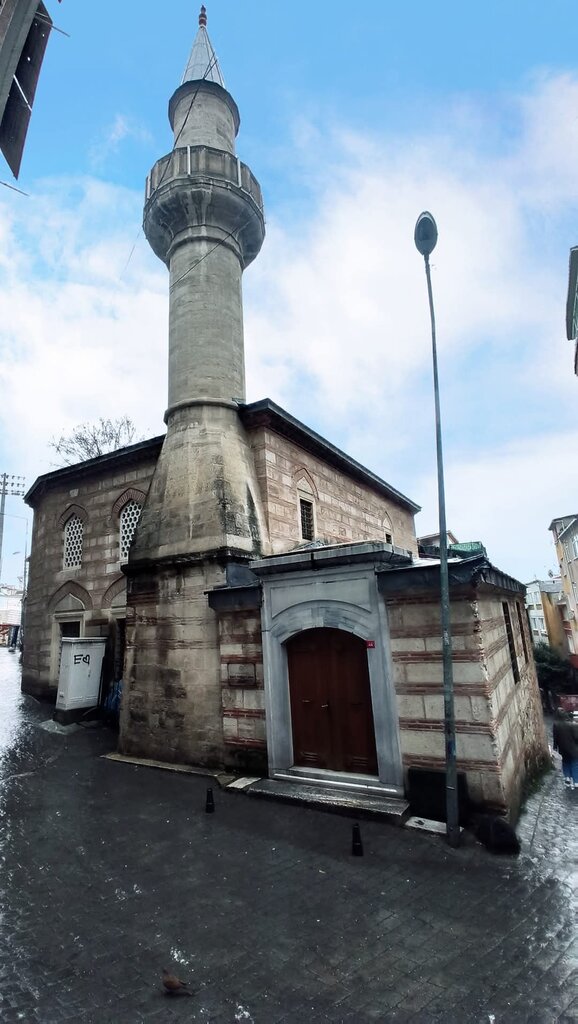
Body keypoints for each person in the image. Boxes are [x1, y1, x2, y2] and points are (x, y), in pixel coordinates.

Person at [552, 709, 578, 789]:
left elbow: (555, 738)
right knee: (574, 764)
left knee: (565, 762)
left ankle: (567, 778)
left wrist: (555, 747)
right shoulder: (572, 725)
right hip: (573, 748)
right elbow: (576, 738)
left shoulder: (556, 725)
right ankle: (576, 781)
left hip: (562, 748)